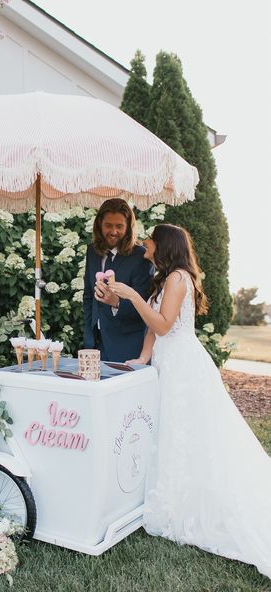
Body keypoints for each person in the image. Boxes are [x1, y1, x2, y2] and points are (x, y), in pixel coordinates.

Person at [109, 223, 271, 580]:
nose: (145, 243)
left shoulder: (178, 278)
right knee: (170, 430)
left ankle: (189, 503)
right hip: (167, 361)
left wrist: (133, 297)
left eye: (150, 239)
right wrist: (142, 357)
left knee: (190, 432)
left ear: (163, 245)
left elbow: (165, 324)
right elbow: (153, 331)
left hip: (184, 365)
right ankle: (171, 494)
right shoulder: (164, 277)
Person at [83, 198, 153, 362]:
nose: (113, 231)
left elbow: (146, 307)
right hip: (95, 345)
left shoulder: (141, 257)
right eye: (108, 225)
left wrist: (117, 302)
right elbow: (88, 296)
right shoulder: (92, 251)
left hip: (127, 347)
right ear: (99, 224)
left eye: (119, 226)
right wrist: (88, 335)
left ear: (128, 227)